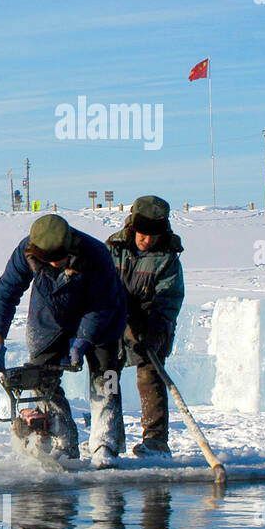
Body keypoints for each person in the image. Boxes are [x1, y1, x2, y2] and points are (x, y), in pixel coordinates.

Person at [0, 214, 128, 468]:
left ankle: (105, 443)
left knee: (106, 378)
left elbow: (102, 305)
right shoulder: (25, 251)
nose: (52, 262)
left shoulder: (96, 253)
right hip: (51, 316)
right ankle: (62, 440)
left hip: (103, 319)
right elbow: (6, 293)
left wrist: (83, 339)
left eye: (58, 257)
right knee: (41, 377)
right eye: (46, 259)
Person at [106, 195, 185, 460]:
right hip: (112, 324)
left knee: (150, 376)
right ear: (132, 226)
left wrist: (155, 331)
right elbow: (97, 285)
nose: (147, 240)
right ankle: (108, 436)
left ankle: (155, 440)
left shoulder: (168, 258)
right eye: (143, 234)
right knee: (107, 376)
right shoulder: (112, 248)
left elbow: (169, 299)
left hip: (150, 327)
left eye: (153, 235)